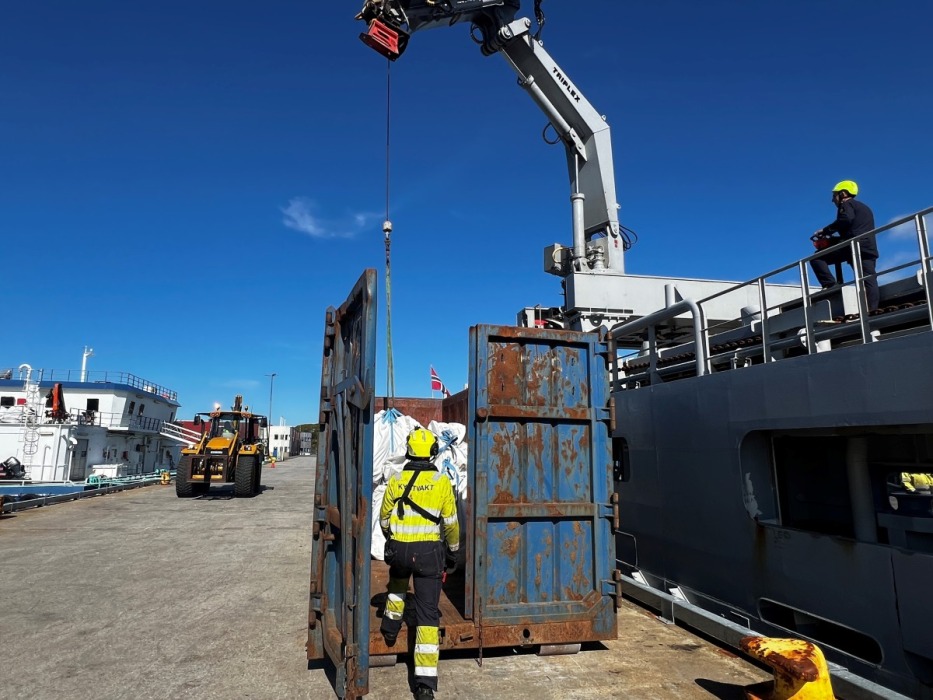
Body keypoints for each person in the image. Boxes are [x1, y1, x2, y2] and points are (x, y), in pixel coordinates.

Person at [379, 428, 460, 700]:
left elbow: (384, 517)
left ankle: (390, 629)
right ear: (433, 452)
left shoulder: (397, 479)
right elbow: (450, 523)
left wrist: (394, 538)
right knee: (427, 616)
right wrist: (453, 552)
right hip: (428, 556)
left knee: (398, 585)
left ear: (409, 450)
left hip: (400, 551)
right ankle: (424, 684)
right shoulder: (441, 482)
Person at [810, 180, 880, 311]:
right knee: (868, 278)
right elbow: (856, 228)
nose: (832, 200)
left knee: (816, 258)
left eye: (834, 196)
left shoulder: (846, 205)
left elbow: (846, 220)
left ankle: (830, 285)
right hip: (868, 247)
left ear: (842, 194)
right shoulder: (864, 208)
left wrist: (825, 230)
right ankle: (873, 309)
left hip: (853, 246)